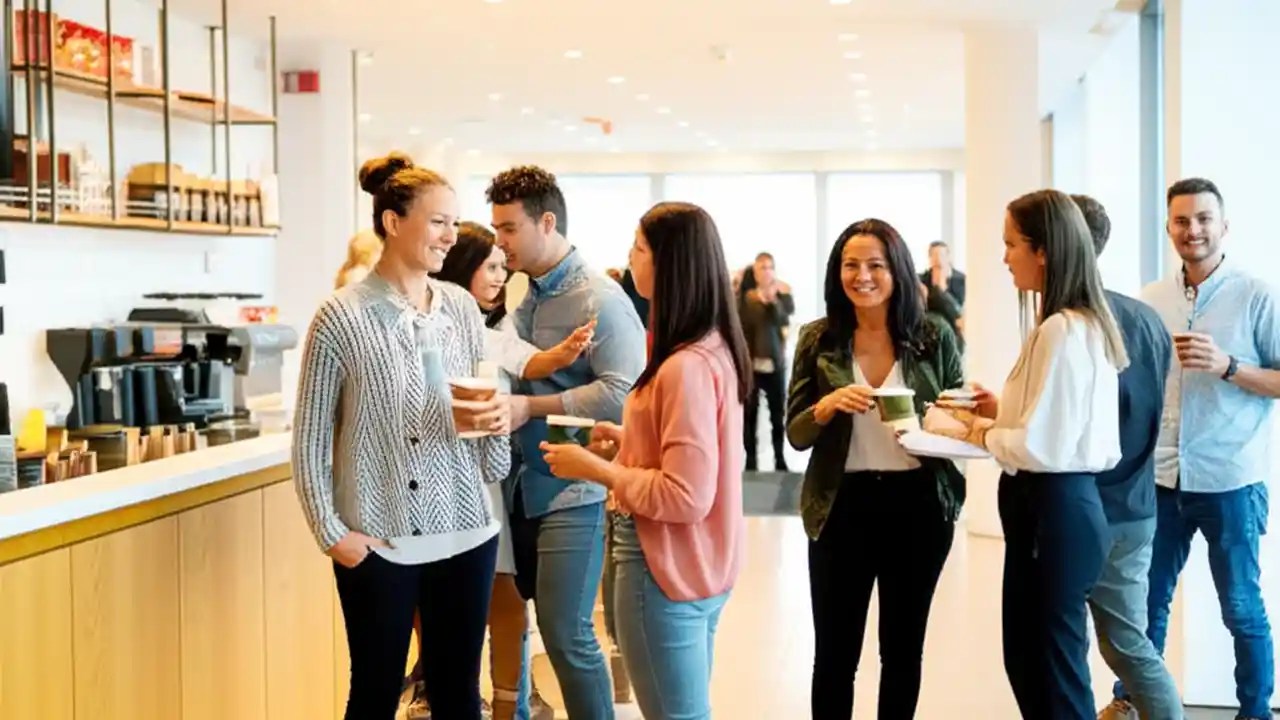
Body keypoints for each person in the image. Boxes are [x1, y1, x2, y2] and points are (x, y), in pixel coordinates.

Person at [293, 152, 512, 720]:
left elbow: (490, 456)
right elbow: (310, 439)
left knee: (459, 696)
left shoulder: (461, 307)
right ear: (393, 222)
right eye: (438, 222)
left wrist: (497, 422)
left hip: (467, 534)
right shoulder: (340, 317)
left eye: (453, 222)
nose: (451, 236)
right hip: (379, 542)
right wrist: (332, 533)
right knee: (374, 692)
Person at [540, 201, 748, 720]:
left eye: (638, 247)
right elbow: (694, 460)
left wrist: (597, 470)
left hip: (662, 563)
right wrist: (631, 440)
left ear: (669, 263)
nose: (630, 258)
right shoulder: (714, 348)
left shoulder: (684, 366)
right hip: (701, 562)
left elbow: (685, 495)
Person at [927, 189, 1128, 719]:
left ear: (1044, 251)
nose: (1004, 257)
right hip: (1061, 510)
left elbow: (1040, 446)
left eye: (1011, 244)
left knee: (1049, 674)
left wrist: (974, 431)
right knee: (1037, 663)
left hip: (1053, 512)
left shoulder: (1062, 328)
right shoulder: (1080, 323)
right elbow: (1057, 427)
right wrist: (999, 416)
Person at [786, 218, 965, 719]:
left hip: (919, 506)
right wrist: (826, 406)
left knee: (903, 651)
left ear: (897, 271)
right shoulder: (819, 339)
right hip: (841, 505)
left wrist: (935, 419)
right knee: (835, 655)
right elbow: (796, 434)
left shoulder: (933, 335)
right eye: (851, 265)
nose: (862, 276)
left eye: (875, 265)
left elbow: (960, 419)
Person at [412, 220, 590, 720]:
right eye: (489, 266)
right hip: (438, 484)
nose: (500, 276)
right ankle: (451, 694)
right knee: (442, 599)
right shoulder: (429, 328)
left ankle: (512, 702)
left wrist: (562, 354)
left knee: (505, 596)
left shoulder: (501, 330)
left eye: (501, 266)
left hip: (491, 484)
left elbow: (531, 363)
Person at [487, 165, 647, 720]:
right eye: (496, 229)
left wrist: (529, 407)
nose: (500, 242)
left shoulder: (602, 299)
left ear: (547, 222)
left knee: (566, 635)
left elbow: (622, 394)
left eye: (509, 228)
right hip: (515, 489)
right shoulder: (520, 297)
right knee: (518, 632)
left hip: (571, 492)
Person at [1122, 178, 1278, 720]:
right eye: (1182, 221)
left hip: (1231, 479)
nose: (1194, 230)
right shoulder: (1150, 300)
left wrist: (1229, 366)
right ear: (1169, 228)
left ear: (1224, 226)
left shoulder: (1256, 295)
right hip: (1161, 478)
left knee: (1241, 608)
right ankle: (1134, 703)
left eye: (1204, 219)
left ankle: (1255, 712)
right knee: (1145, 603)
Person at [1069, 195, 1183, 720]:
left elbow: (1076, 427)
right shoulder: (1146, 317)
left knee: (1089, 645)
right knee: (1130, 643)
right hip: (1137, 502)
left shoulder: (1073, 324)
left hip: (1089, 506)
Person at [739, 252, 795, 472]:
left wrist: (773, 302)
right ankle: (751, 460)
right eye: (762, 268)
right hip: (752, 365)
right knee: (750, 416)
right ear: (755, 272)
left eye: (770, 267)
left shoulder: (782, 295)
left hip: (775, 364)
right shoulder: (746, 299)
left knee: (777, 415)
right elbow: (741, 324)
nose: (766, 272)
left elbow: (785, 317)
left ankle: (779, 458)